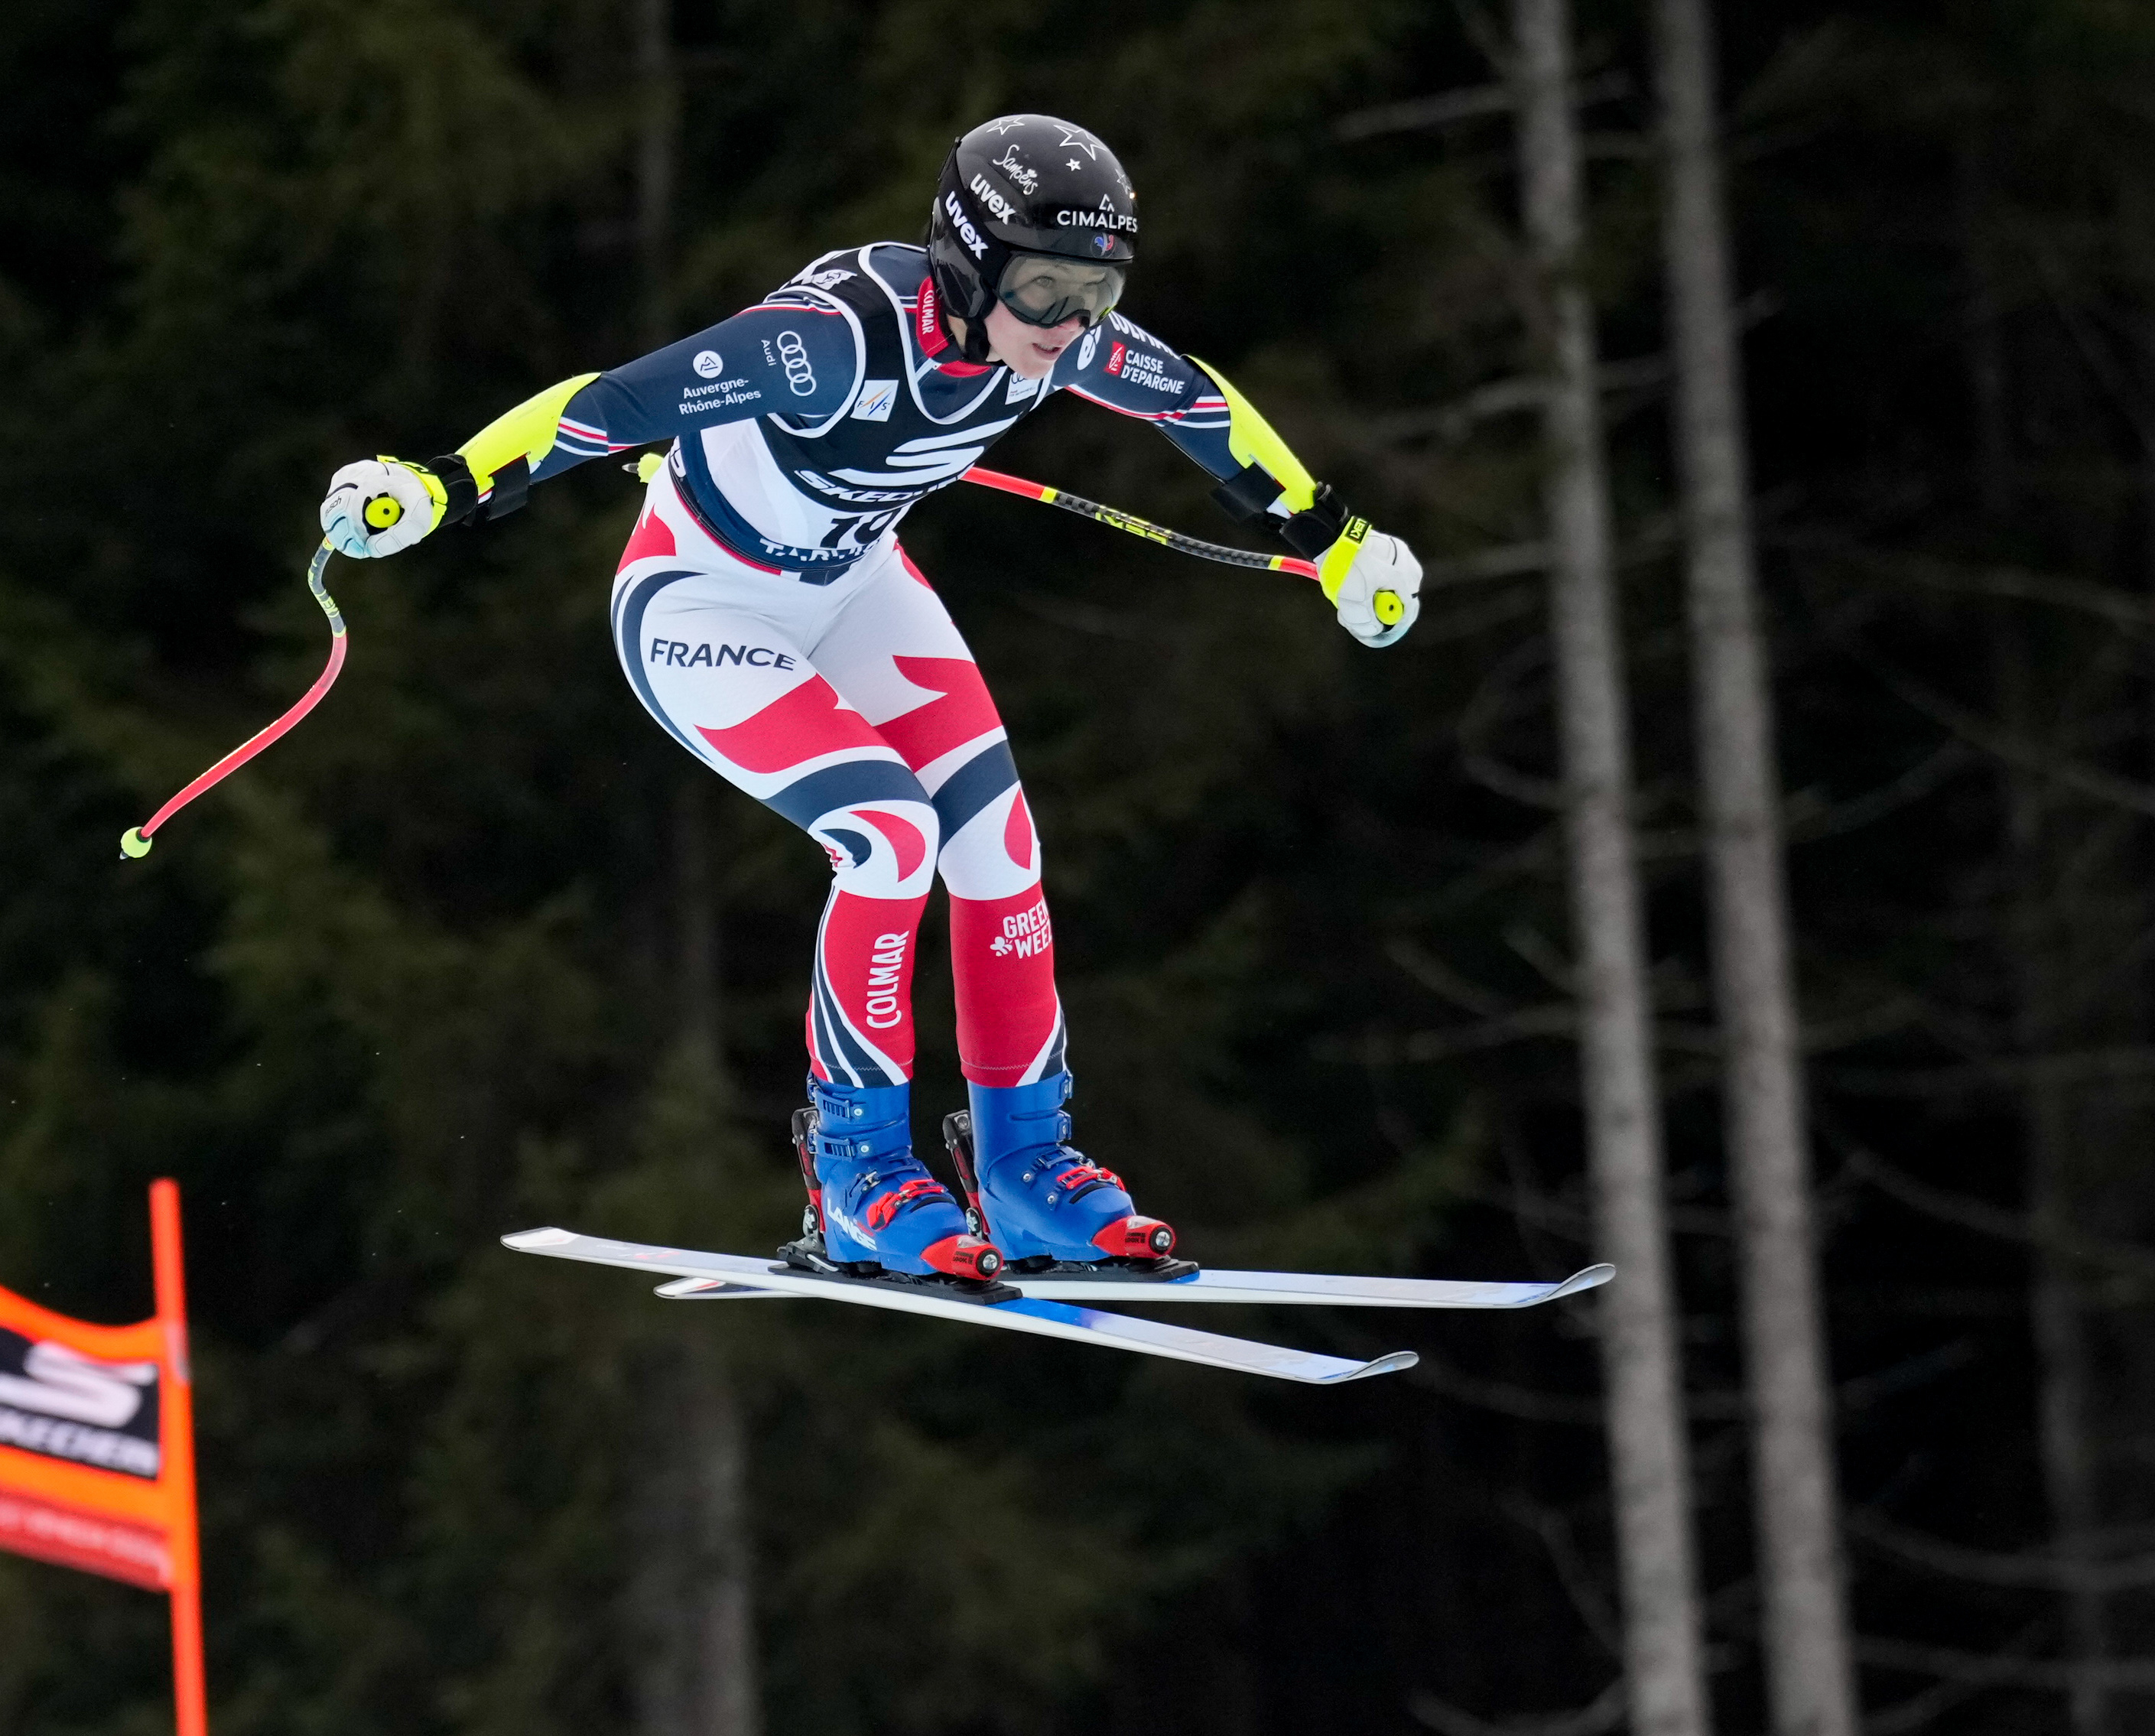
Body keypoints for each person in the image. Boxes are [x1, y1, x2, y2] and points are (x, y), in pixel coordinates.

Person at [319, 115, 1422, 1289]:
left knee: (997, 844)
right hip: (702, 609)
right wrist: (438, 487)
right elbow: (610, 405)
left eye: (1094, 292)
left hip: (854, 589)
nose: (1069, 328)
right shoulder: (829, 342)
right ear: (965, 262)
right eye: (1044, 291)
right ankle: (856, 1179)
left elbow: (1193, 404)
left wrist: (1334, 539)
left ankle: (1024, 1170)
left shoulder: (1056, 336)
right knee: (888, 838)